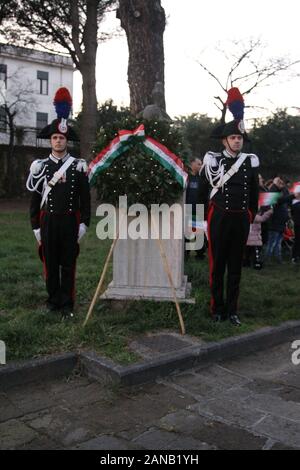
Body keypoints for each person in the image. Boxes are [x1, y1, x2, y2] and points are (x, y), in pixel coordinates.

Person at [26, 88, 91, 318]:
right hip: (49, 221)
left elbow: (86, 200)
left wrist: (84, 223)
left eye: (62, 138)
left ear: (66, 140)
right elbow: (35, 199)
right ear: (50, 140)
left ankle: (67, 303)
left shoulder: (78, 166)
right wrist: (35, 226)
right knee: (50, 264)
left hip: (70, 221)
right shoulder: (40, 167)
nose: (58, 141)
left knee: (68, 265)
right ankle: (53, 301)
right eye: (54, 137)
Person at [198, 88, 259, 326]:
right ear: (225, 140)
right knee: (217, 265)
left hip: (241, 218)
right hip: (219, 217)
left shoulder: (249, 162)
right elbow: (203, 192)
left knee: (236, 267)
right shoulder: (214, 160)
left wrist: (251, 214)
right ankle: (217, 309)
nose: (237, 141)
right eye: (233, 138)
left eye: (240, 138)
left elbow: (254, 192)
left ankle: (232, 310)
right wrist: (202, 219)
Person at [185, 157, 207, 260]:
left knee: (198, 233)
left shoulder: (201, 179)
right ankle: (185, 253)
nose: (201, 166)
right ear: (192, 163)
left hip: (198, 210)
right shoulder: (186, 177)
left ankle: (200, 254)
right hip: (187, 209)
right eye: (198, 164)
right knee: (187, 233)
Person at [265, 176, 289, 263]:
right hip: (274, 222)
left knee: (278, 243)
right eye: (280, 183)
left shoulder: (282, 191)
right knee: (271, 243)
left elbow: (285, 198)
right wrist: (275, 184)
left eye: (282, 183)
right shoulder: (273, 193)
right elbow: (278, 199)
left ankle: (278, 259)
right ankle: (267, 259)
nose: (281, 184)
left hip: (281, 222)